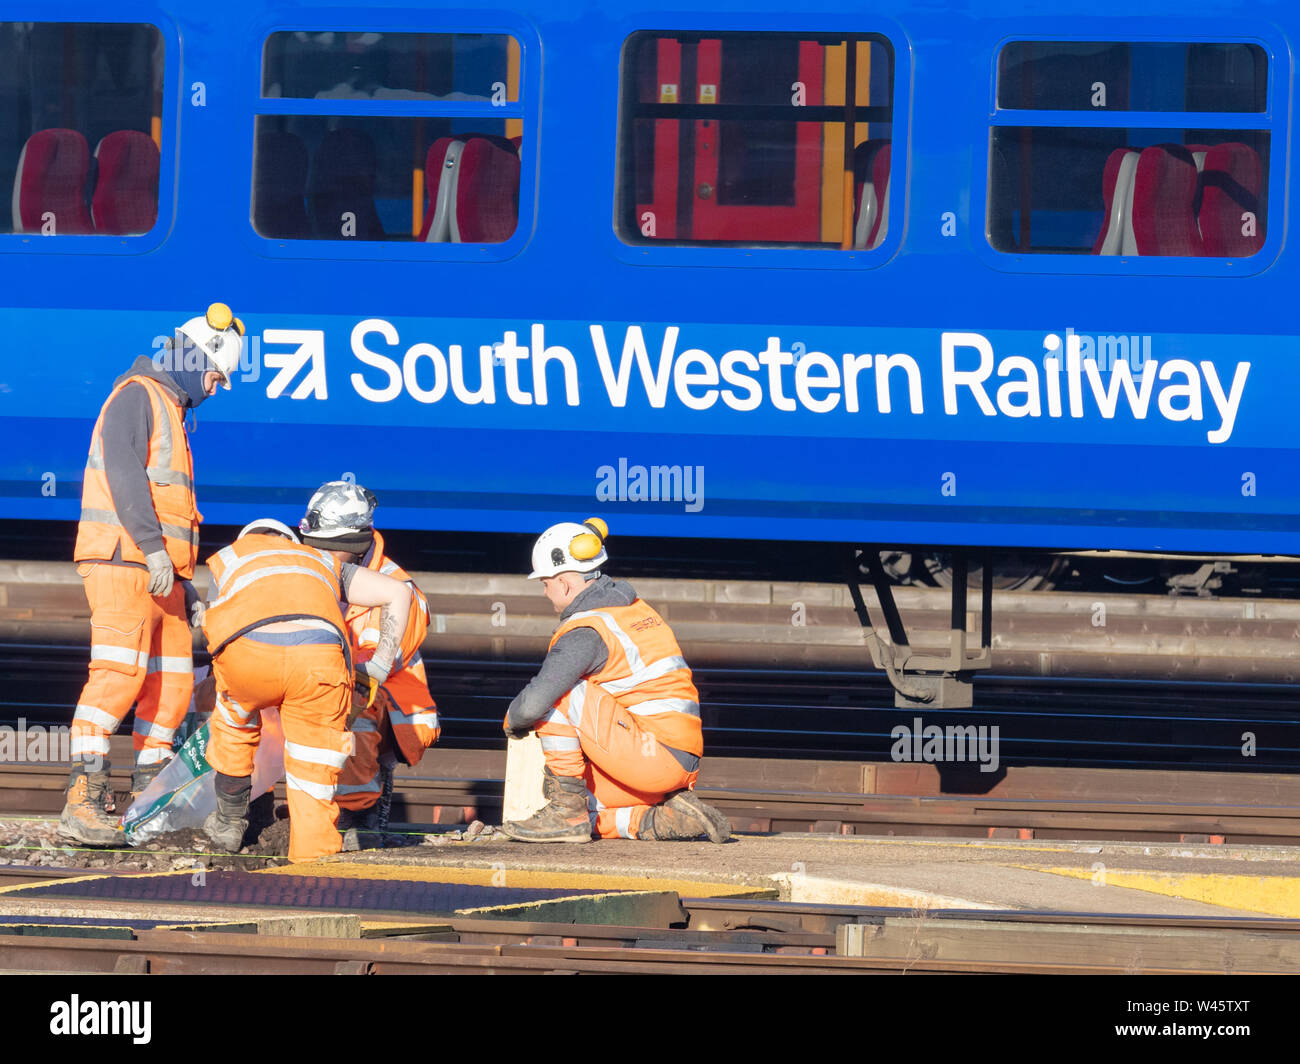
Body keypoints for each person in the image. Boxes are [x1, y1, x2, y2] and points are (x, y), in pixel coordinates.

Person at [62, 304, 244, 845]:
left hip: (160, 575)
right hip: (123, 561)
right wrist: (150, 549)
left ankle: (146, 801)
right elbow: (124, 474)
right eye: (216, 375)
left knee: (171, 685)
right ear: (196, 359)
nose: (218, 388)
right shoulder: (137, 397)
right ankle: (85, 798)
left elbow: (166, 506)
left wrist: (183, 584)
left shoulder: (168, 408)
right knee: (118, 674)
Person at [499, 518, 730, 844]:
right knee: (588, 804)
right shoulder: (631, 608)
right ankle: (654, 819)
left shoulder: (587, 630)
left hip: (651, 756)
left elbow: (534, 702)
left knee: (558, 695)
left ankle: (565, 813)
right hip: (673, 762)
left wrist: (513, 719)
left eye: (545, 583)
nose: (545, 592)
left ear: (564, 583)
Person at [200, 518, 412, 863]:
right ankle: (313, 870)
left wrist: (221, 681)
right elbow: (397, 593)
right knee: (314, 765)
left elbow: (214, 627)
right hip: (319, 660)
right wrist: (376, 668)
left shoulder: (230, 558)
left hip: (250, 656)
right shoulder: (320, 560)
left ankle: (228, 823)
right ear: (292, 540)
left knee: (234, 725)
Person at [296, 481, 440, 839]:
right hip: (326, 683)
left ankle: (358, 813)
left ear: (356, 546)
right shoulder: (315, 571)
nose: (323, 558)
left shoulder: (397, 589)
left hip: (383, 703)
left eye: (331, 550)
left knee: (354, 700)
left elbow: (374, 666)